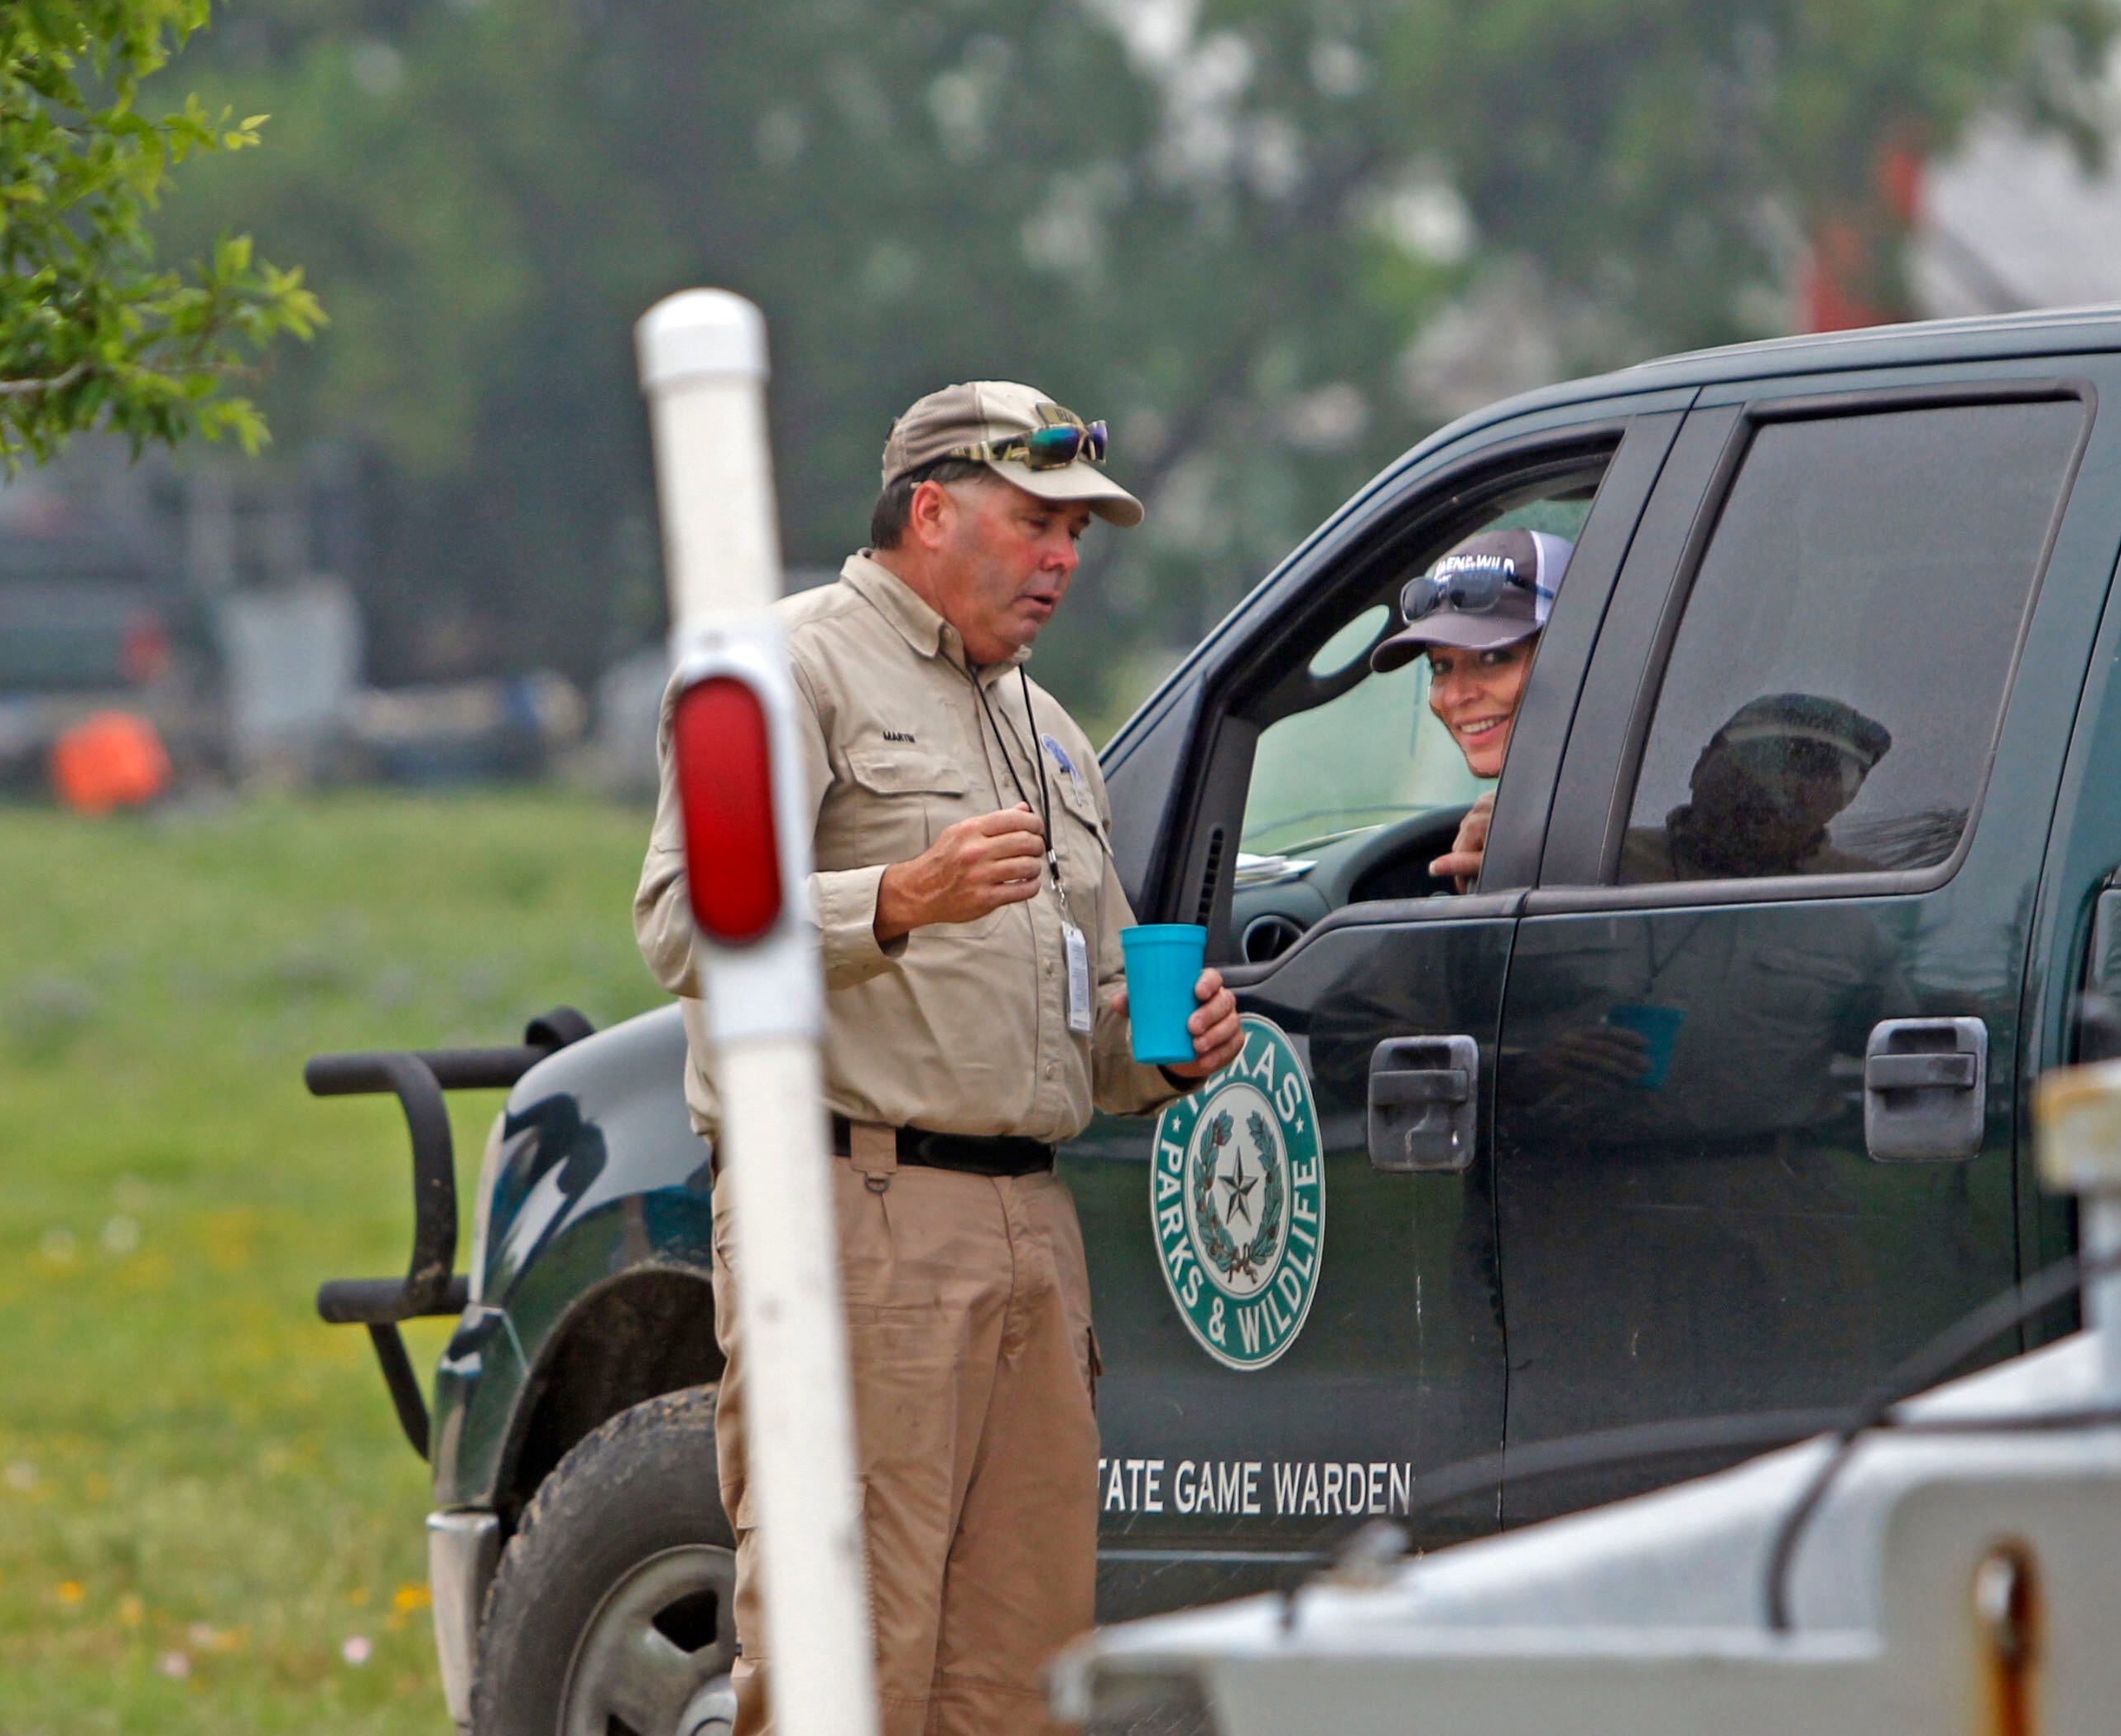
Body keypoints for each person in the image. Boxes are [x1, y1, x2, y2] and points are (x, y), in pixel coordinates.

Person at [633, 380, 1245, 1736]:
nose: (1061, 561)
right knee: (847, 1661)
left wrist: (1172, 1051)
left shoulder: (1049, 729)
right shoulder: (781, 670)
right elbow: (685, 927)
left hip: (1032, 1223)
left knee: (1023, 1678)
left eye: (1076, 535)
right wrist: (895, 898)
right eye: (1035, 521)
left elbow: (1094, 1035)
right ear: (929, 509)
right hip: (857, 1218)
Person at [1364, 527, 1571, 890]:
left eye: (1494, 657)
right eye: (1441, 667)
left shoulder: (1687, 807)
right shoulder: (1544, 816)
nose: (1455, 696)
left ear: (1582, 651)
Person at [1618, 692, 1892, 882]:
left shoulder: (1874, 894)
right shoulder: (1606, 865)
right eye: (1755, 759)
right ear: (1701, 767)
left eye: (1815, 772)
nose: (1774, 789)